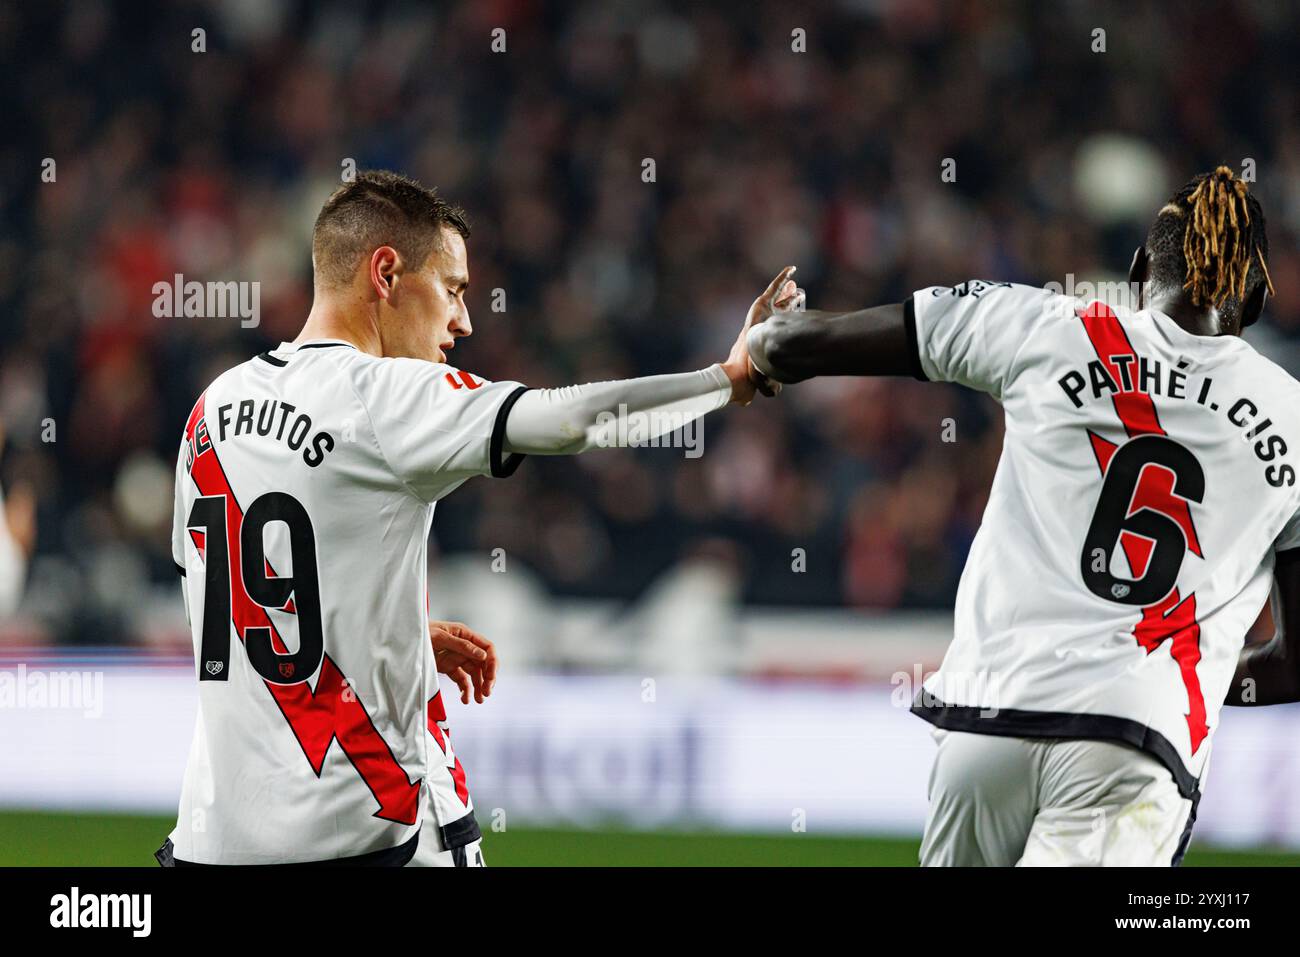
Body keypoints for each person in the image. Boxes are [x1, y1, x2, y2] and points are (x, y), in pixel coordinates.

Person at [161, 169, 792, 866]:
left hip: (211, 842)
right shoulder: (385, 394)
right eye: (454, 289)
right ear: (387, 273)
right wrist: (726, 380)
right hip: (358, 834)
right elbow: (569, 418)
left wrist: (382, 630)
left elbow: (242, 599)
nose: (465, 319)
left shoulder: (212, 408)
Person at [748, 166, 1291, 866]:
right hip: (1134, 741)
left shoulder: (1045, 323)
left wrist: (766, 342)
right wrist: (1196, 677)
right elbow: (1296, 662)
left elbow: (799, 344)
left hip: (986, 731)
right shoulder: (1292, 421)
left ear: (1134, 272)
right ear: (1251, 297)